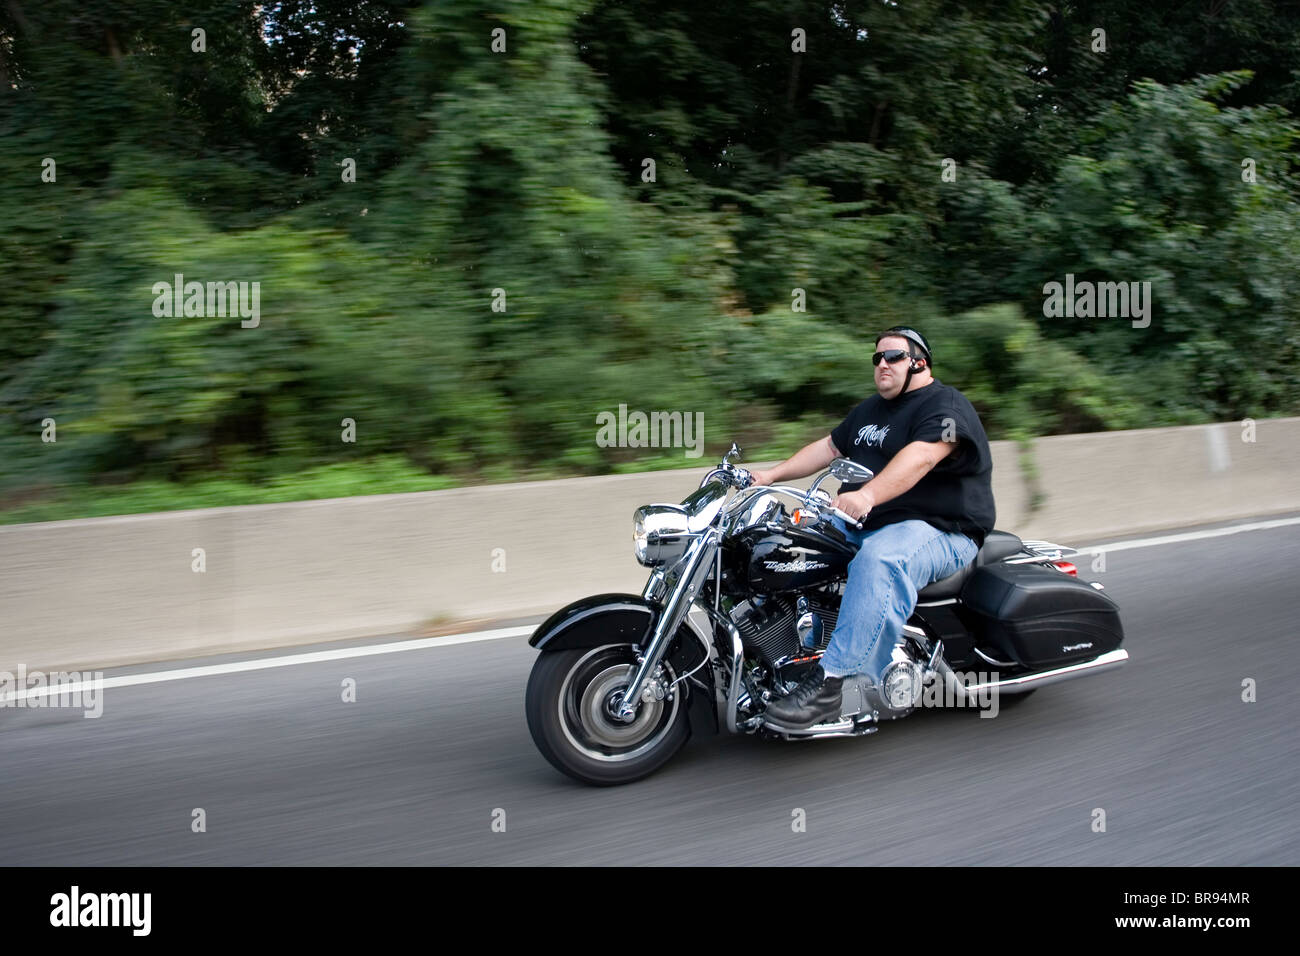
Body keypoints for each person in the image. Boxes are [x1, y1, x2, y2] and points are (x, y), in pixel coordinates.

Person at [746, 327, 995, 729]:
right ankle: (784, 653)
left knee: (880, 559)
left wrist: (866, 495)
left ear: (919, 362)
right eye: (876, 357)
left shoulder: (946, 405)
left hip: (941, 528)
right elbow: (828, 448)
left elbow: (921, 457)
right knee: (780, 542)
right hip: (867, 521)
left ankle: (833, 686)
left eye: (893, 356)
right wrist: (770, 475)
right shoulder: (869, 412)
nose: (882, 364)